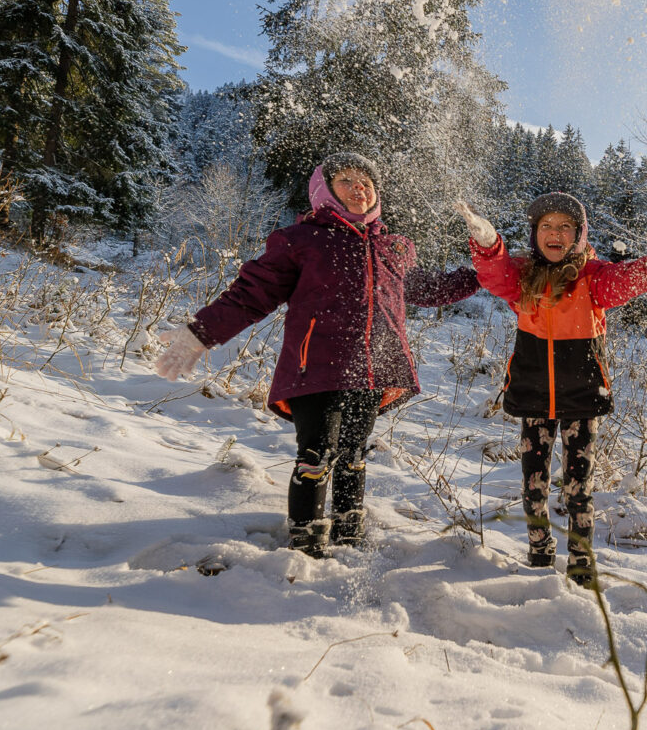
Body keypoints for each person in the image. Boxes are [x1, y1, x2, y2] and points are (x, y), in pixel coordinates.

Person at [155, 151, 479, 557]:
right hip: (315, 370)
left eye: (367, 183)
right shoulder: (302, 240)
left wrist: (482, 274)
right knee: (315, 454)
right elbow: (251, 294)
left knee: (353, 455)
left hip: (370, 371)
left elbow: (426, 289)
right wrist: (200, 333)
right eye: (347, 181)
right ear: (324, 191)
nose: (359, 188)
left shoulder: (394, 247)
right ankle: (306, 540)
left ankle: (348, 530)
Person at [454, 193, 647, 588]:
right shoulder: (521, 276)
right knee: (533, 485)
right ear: (535, 233)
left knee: (579, 489)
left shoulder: (592, 277)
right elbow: (494, 272)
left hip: (581, 399)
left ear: (578, 234)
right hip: (534, 396)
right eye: (546, 226)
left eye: (565, 227)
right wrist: (487, 242)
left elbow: (623, 281)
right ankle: (539, 557)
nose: (555, 234)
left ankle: (580, 563)